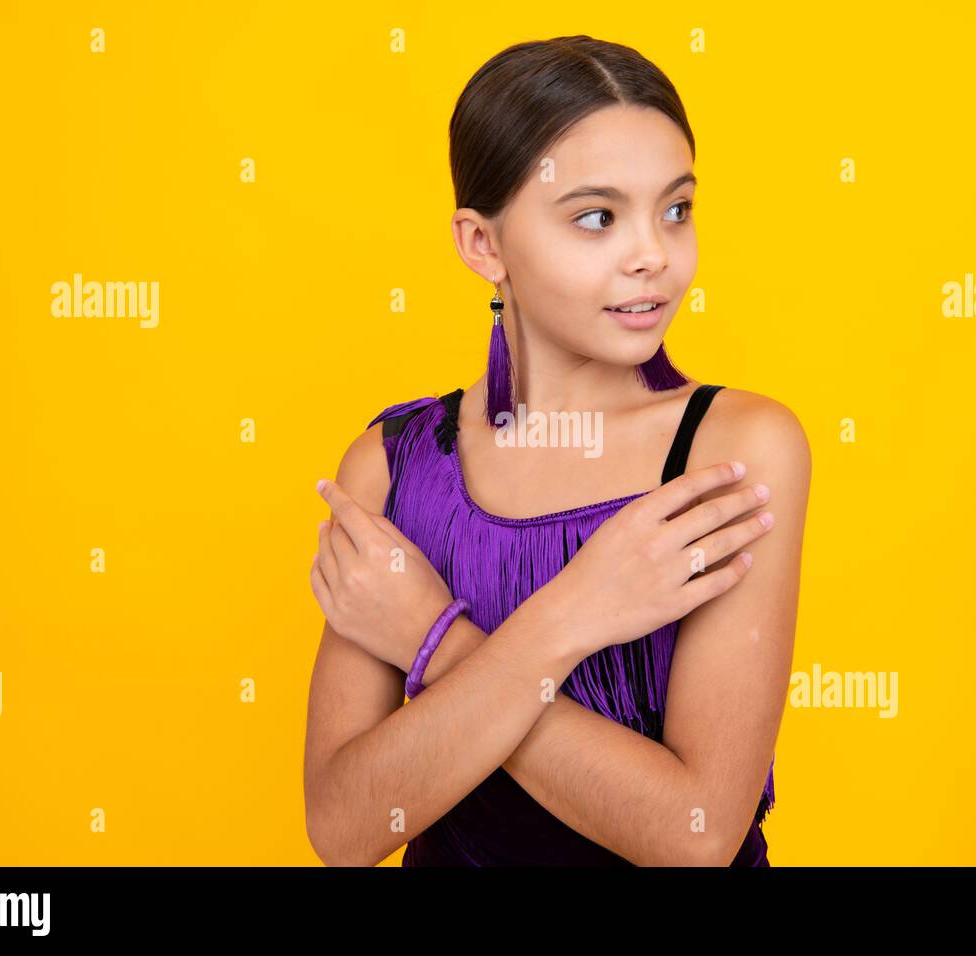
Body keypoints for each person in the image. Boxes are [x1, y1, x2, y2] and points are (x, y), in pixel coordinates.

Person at [304, 35, 811, 866]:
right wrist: (580, 613)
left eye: (675, 209)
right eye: (597, 218)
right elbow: (345, 828)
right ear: (483, 245)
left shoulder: (735, 453)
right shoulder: (391, 468)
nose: (654, 254)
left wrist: (435, 636)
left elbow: (696, 835)